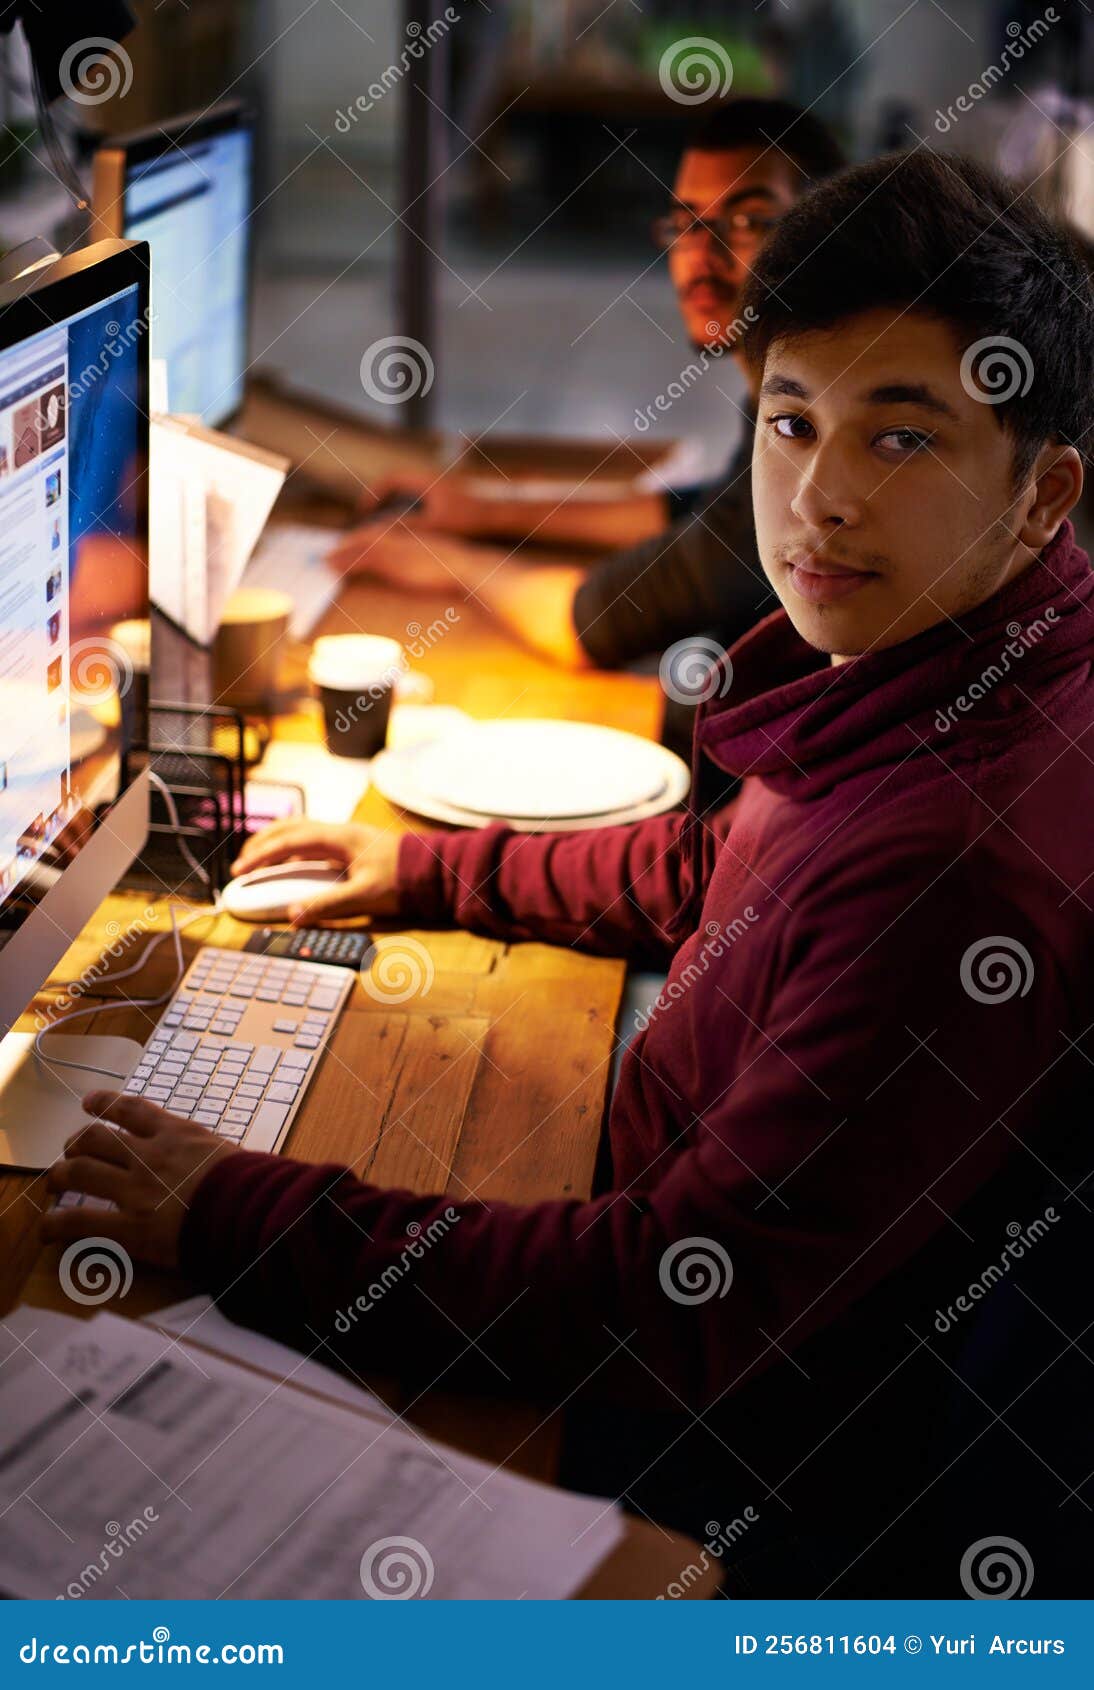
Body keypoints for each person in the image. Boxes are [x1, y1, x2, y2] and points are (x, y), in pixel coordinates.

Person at [45, 151, 1094, 1594]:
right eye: (790, 422)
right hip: (657, 1237)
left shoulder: (951, 861)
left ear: (1041, 494)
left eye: (900, 439)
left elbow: (670, 1297)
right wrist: (420, 867)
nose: (819, 498)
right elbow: (720, 865)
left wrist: (232, 1209)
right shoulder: (944, 664)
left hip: (710, 1448)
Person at [330, 99, 845, 757]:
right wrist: (483, 510)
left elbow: (588, 621)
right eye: (686, 224)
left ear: (826, 232)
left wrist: (448, 562)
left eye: (746, 221)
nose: (702, 254)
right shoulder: (780, 393)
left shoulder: (809, 436)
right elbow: (694, 516)